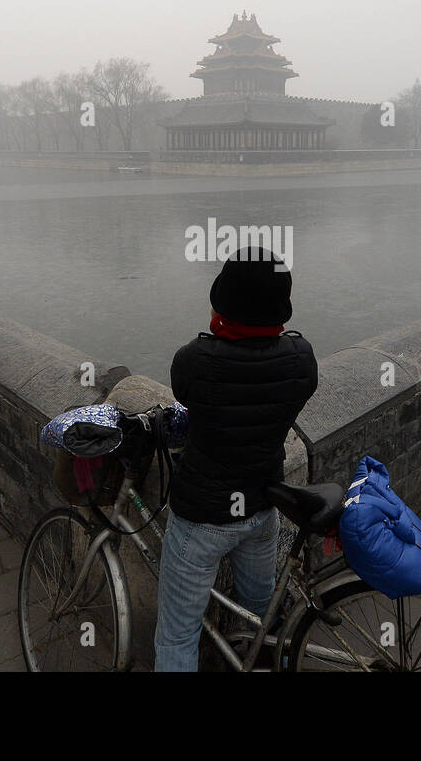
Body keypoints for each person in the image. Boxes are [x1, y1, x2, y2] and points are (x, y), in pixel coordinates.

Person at [154, 246, 318, 671]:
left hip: (201, 519)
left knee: (177, 634)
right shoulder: (301, 361)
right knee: (262, 616)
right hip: (263, 508)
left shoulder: (194, 361)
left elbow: (188, 397)